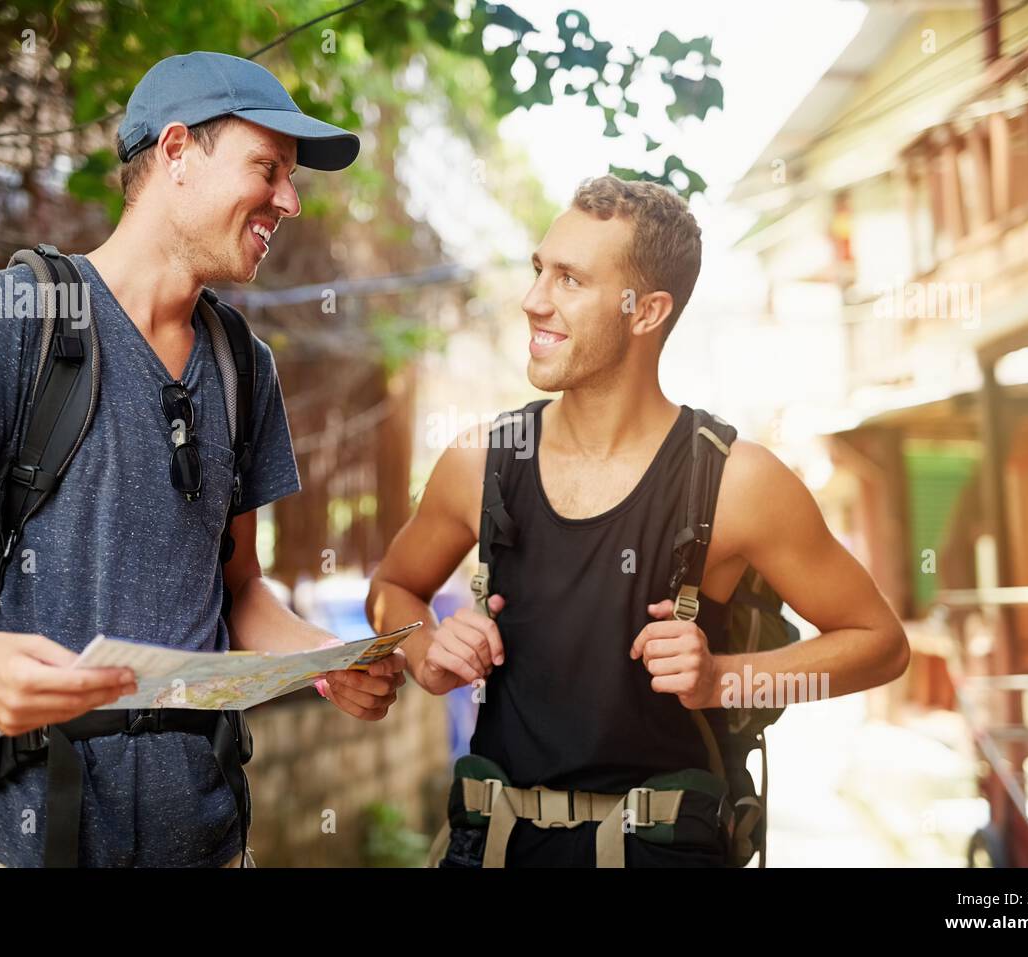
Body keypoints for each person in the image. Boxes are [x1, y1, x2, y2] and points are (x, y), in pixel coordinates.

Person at [0, 51, 405, 868]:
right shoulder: (17, 319)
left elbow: (241, 592)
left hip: (211, 840)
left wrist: (325, 667)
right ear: (179, 151)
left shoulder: (242, 365)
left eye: (292, 178)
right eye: (269, 168)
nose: (290, 202)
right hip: (26, 840)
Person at [365, 174, 910, 867]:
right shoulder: (482, 460)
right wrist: (426, 651)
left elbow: (881, 642)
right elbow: (391, 590)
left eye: (569, 280)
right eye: (539, 271)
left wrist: (723, 678)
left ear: (645, 311)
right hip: (492, 848)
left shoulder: (737, 481)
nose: (533, 301)